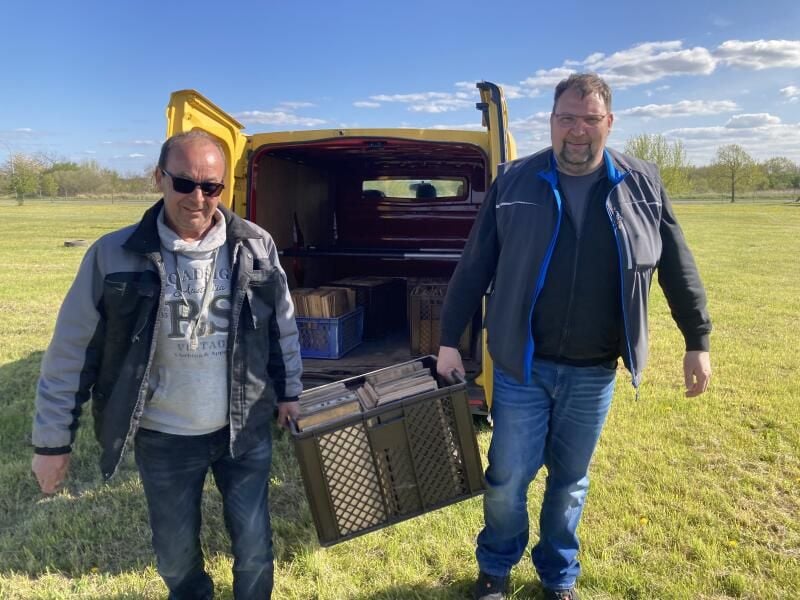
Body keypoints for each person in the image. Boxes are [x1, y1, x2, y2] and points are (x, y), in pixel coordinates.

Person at [437, 73, 712, 600]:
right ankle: (496, 565)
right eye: (568, 118)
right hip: (523, 366)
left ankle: (558, 572)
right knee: (507, 479)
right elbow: (475, 264)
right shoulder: (515, 181)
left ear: (608, 123)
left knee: (568, 484)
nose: (578, 131)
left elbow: (677, 265)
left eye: (590, 119)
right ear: (552, 121)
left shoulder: (643, 183)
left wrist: (696, 340)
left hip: (594, 370)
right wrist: (451, 337)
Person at [31, 130, 303, 599]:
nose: (198, 198)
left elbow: (282, 327)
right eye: (184, 183)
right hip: (165, 438)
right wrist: (52, 443)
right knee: (176, 560)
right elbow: (71, 354)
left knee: (256, 551)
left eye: (212, 187)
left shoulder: (255, 246)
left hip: (245, 429)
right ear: (159, 178)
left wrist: (290, 391)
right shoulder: (112, 255)